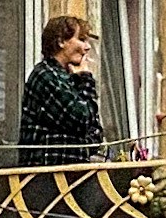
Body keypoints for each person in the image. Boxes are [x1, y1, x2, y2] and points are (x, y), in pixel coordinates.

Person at [15, 12, 105, 163]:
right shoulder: (45, 75)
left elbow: (95, 132)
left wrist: (78, 141)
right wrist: (85, 79)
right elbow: (81, 119)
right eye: (81, 39)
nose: (87, 47)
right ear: (61, 41)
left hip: (70, 173)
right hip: (45, 178)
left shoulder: (70, 78)